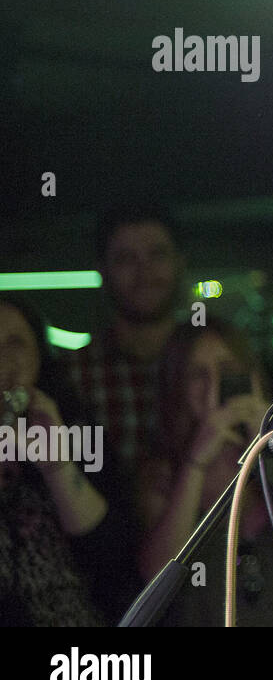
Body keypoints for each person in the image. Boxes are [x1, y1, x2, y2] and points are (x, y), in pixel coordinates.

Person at [137, 319, 273, 625]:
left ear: (251, 375)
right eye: (198, 375)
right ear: (177, 386)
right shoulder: (164, 472)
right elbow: (155, 575)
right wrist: (196, 462)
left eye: (227, 370)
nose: (214, 384)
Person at [0, 295, 135, 625]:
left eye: (15, 342)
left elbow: (113, 563)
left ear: (39, 356)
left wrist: (56, 464)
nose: (2, 357)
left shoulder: (79, 431)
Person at [68, 205, 183, 482]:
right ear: (102, 272)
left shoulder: (216, 364)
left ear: (180, 262)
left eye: (157, 254)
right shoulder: (73, 375)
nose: (144, 272)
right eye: (125, 259)